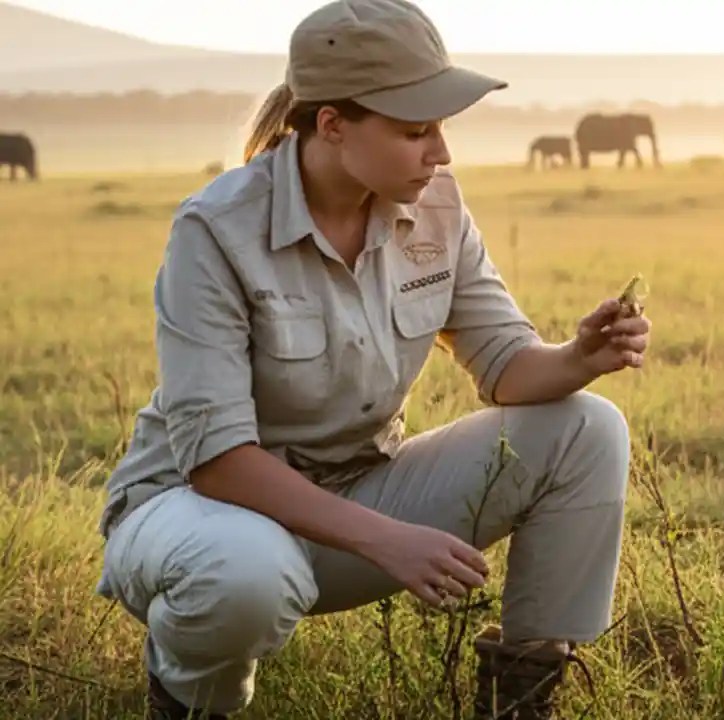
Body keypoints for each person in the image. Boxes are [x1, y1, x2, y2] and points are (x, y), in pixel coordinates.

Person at [92, 1, 652, 718]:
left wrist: (580, 356)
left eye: (441, 128)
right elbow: (217, 459)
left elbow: (506, 364)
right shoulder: (216, 229)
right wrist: (390, 540)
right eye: (416, 130)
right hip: (200, 511)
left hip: (357, 493)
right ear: (332, 125)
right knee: (245, 576)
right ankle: (188, 701)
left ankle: (523, 697)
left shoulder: (435, 205)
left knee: (586, 428)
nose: (441, 152)